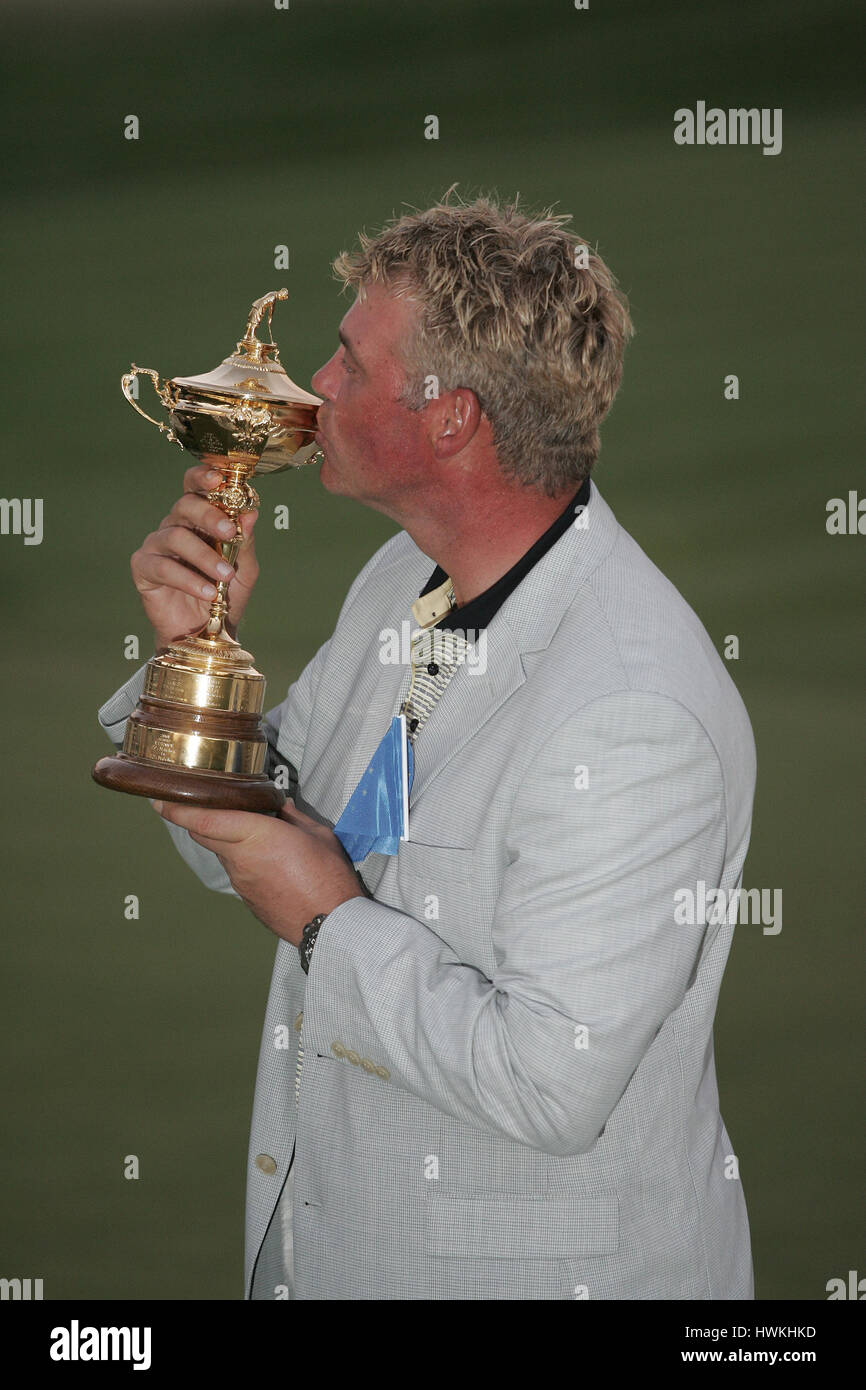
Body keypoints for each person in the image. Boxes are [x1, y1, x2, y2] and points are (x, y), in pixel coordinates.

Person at [97, 194, 757, 1300]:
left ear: (448, 419)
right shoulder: (402, 580)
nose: (315, 384)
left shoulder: (633, 713)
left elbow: (551, 1085)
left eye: (349, 362)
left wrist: (325, 918)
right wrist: (187, 665)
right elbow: (244, 845)